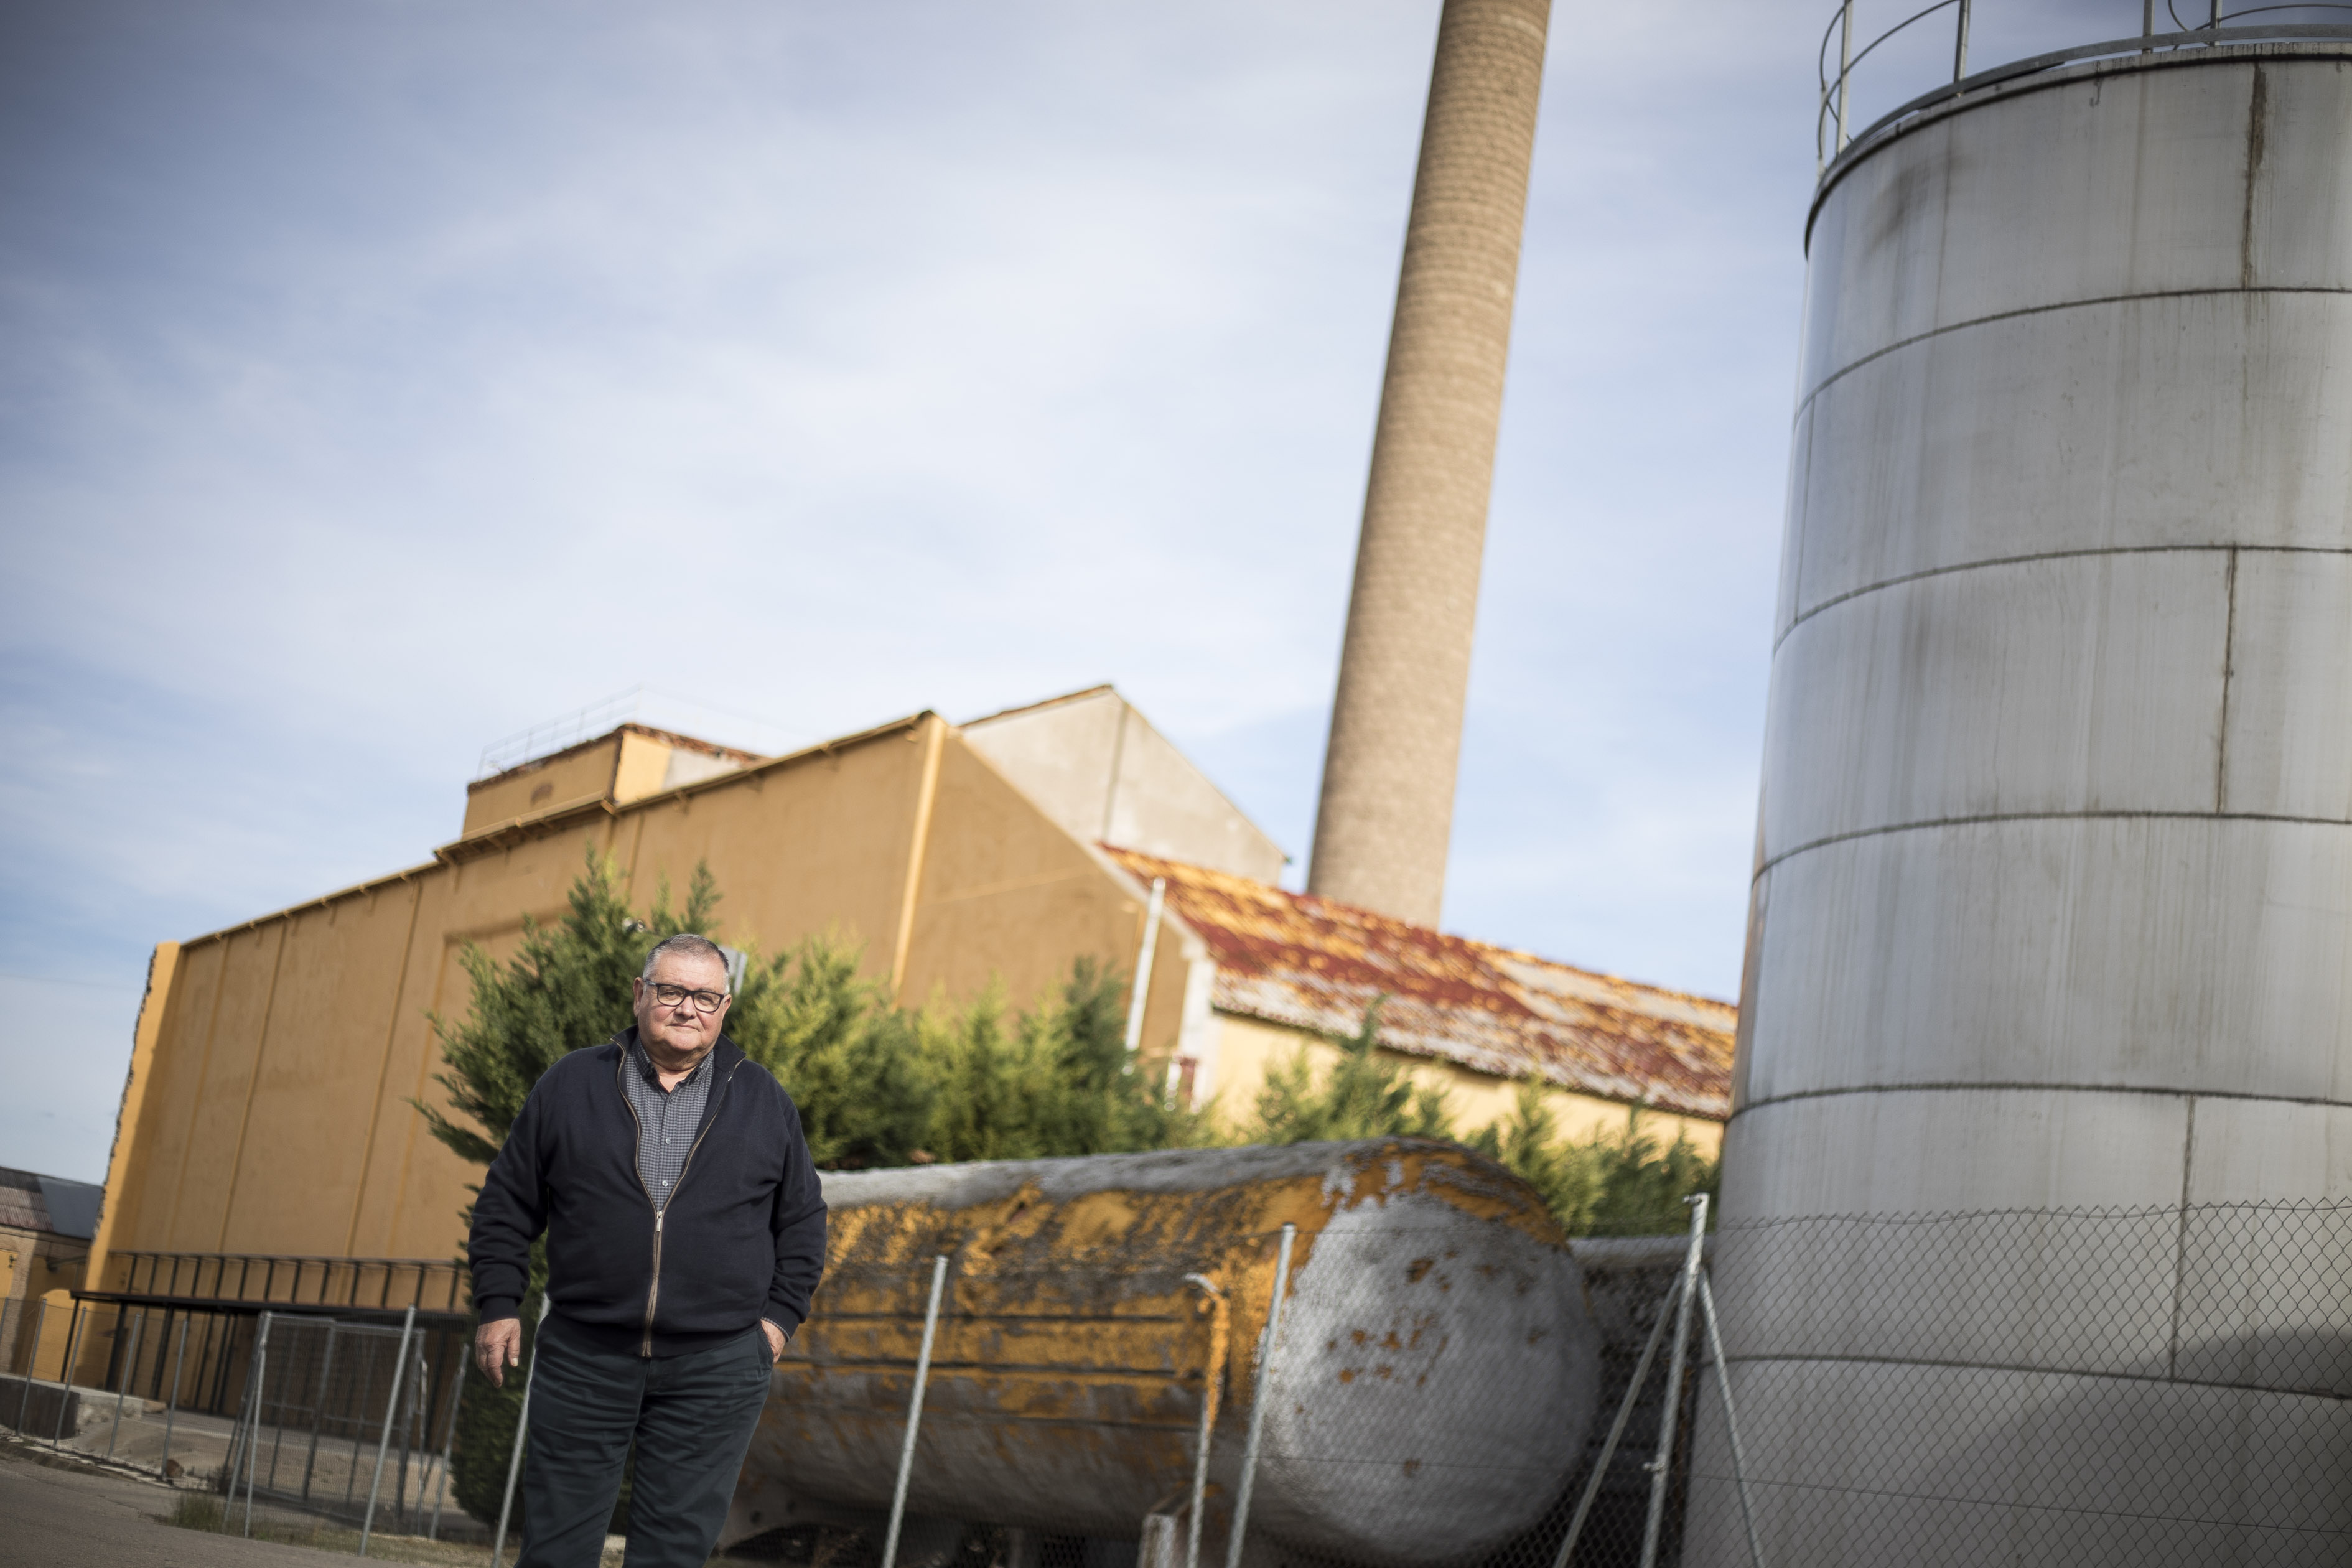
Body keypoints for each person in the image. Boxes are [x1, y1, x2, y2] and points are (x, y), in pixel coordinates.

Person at [469, 931, 827, 1568]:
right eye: (672, 991)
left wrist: (775, 1325)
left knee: (674, 1552)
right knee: (555, 1549)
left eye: (707, 997)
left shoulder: (763, 1098)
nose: (688, 1008)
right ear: (640, 995)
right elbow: (506, 1203)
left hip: (716, 1367)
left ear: (725, 1008)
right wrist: (498, 1303)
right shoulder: (570, 1084)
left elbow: (802, 1222)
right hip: (585, 1355)